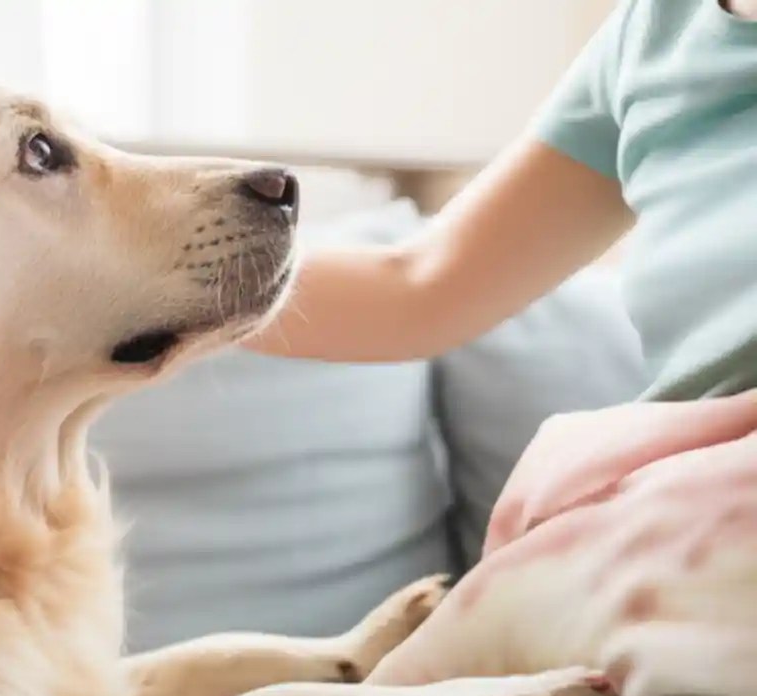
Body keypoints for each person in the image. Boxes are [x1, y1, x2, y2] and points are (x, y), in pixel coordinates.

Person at [248, 0, 757, 553]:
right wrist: (175, 280)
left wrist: (627, 444)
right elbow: (419, 285)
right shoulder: (657, 30)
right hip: (661, 538)